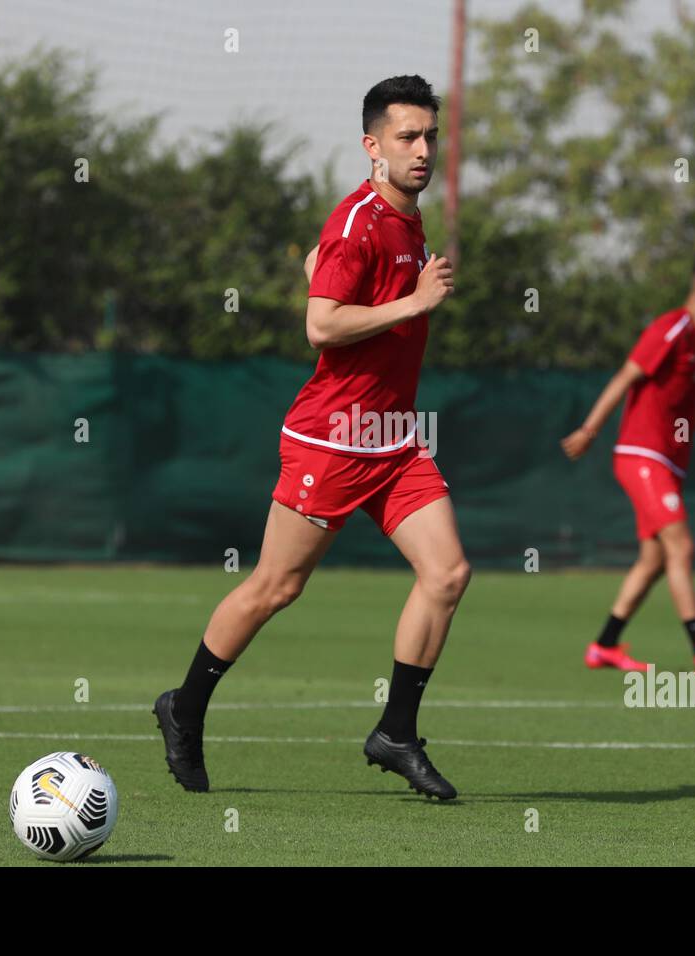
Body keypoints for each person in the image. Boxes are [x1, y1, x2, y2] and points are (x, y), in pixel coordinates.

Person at [153, 75, 469, 800]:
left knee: (447, 574)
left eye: (429, 136)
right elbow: (321, 324)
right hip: (331, 440)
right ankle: (185, 706)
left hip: (392, 438)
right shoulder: (359, 218)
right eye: (406, 137)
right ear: (372, 146)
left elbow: (328, 280)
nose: (423, 150)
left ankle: (396, 732)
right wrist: (414, 300)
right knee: (276, 586)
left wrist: (352, 283)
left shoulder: (403, 219)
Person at [561, 252, 695, 673]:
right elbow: (625, 376)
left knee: (654, 560)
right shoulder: (673, 328)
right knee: (681, 546)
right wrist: (589, 431)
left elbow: (688, 407)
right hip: (642, 456)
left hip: (665, 461)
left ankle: (605, 646)